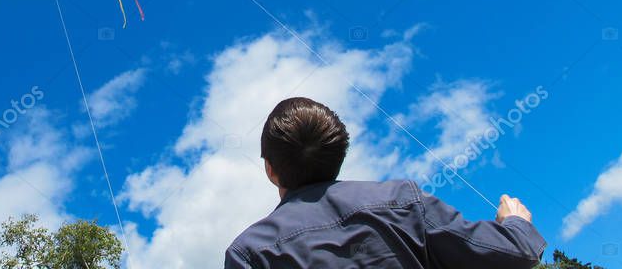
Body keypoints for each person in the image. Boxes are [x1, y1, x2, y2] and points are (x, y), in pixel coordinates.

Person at [224, 97, 547, 268]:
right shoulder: (403, 202)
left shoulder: (250, 252)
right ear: (339, 154)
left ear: (269, 169)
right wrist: (515, 223)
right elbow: (516, 253)